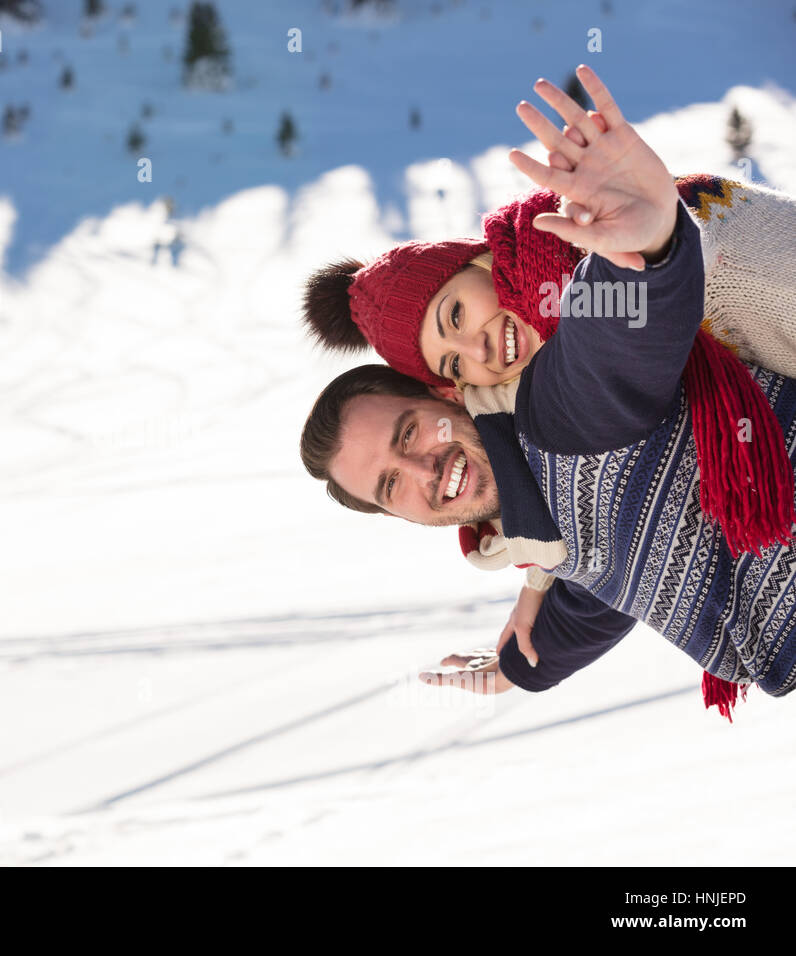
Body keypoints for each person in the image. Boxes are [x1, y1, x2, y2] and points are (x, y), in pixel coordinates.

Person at [299, 66, 796, 718]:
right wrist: (518, 667)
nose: (422, 469)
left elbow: (611, 341)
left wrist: (647, 245)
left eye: (407, 435)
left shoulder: (558, 421)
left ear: (446, 401)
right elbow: (592, 601)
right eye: (391, 485)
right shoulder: (550, 533)